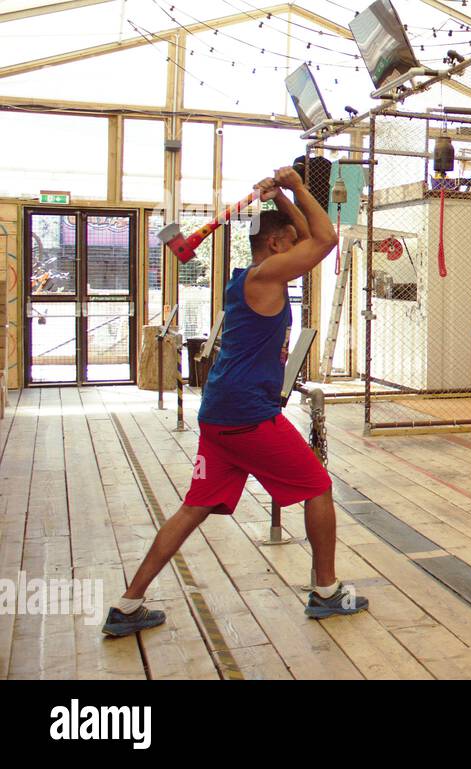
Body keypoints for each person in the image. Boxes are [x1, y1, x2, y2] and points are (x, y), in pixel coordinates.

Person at [103, 167, 368, 638]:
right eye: (291, 240)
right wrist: (300, 188)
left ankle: (128, 604)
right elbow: (324, 239)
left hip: (221, 414)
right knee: (317, 486)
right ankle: (326, 592)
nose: (300, 245)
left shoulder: (251, 274)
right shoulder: (265, 276)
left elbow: (308, 234)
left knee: (194, 507)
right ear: (275, 246)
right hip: (248, 415)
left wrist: (283, 199)